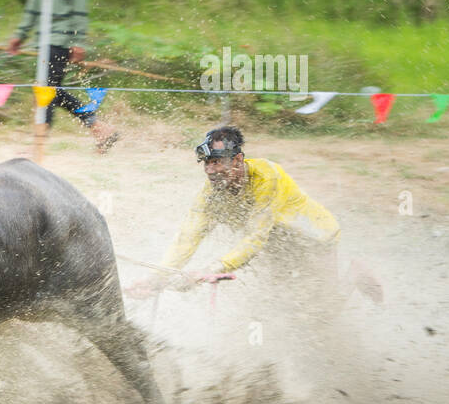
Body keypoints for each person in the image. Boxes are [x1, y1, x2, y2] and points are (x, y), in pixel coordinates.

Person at [129, 127, 350, 298]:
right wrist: (155, 279)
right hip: (276, 243)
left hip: (314, 238)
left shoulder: (267, 177)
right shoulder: (210, 193)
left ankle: (355, 274)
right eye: (206, 163)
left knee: (326, 304)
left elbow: (255, 239)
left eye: (217, 162)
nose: (210, 171)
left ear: (237, 159)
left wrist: (212, 268)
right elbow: (187, 238)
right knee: (284, 301)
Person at [8, 0, 119, 153]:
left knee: (48, 89)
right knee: (49, 90)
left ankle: (54, 139)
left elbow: (80, 3)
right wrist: (21, 33)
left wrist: (79, 40)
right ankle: (95, 129)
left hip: (63, 35)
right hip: (43, 36)